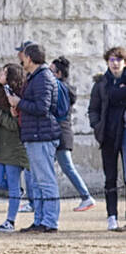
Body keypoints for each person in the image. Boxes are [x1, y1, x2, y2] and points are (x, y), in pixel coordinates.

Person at [10, 42, 61, 233]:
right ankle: (40, 220)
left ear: (29, 58)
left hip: (42, 135)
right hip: (34, 134)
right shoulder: (36, 77)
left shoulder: (43, 78)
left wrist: (19, 102)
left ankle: (50, 221)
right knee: (38, 182)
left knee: (46, 181)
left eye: (22, 56)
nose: (20, 60)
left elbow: (42, 108)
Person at [88, 45, 126, 231]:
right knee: (110, 177)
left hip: (125, 132)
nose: (115, 63)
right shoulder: (101, 83)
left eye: (118, 59)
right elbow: (93, 109)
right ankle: (112, 216)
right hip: (109, 135)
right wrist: (97, 126)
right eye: (112, 60)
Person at [49, 56, 95, 212]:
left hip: (60, 133)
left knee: (67, 167)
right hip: (61, 132)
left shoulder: (61, 89)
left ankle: (86, 196)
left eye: (51, 71)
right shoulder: (65, 88)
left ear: (59, 74)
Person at [0, 63, 28, 232]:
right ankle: (18, 192)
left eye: (4, 72)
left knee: (13, 182)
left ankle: (10, 221)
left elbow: (14, 123)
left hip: (14, 146)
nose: (0, 74)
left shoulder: (17, 94)